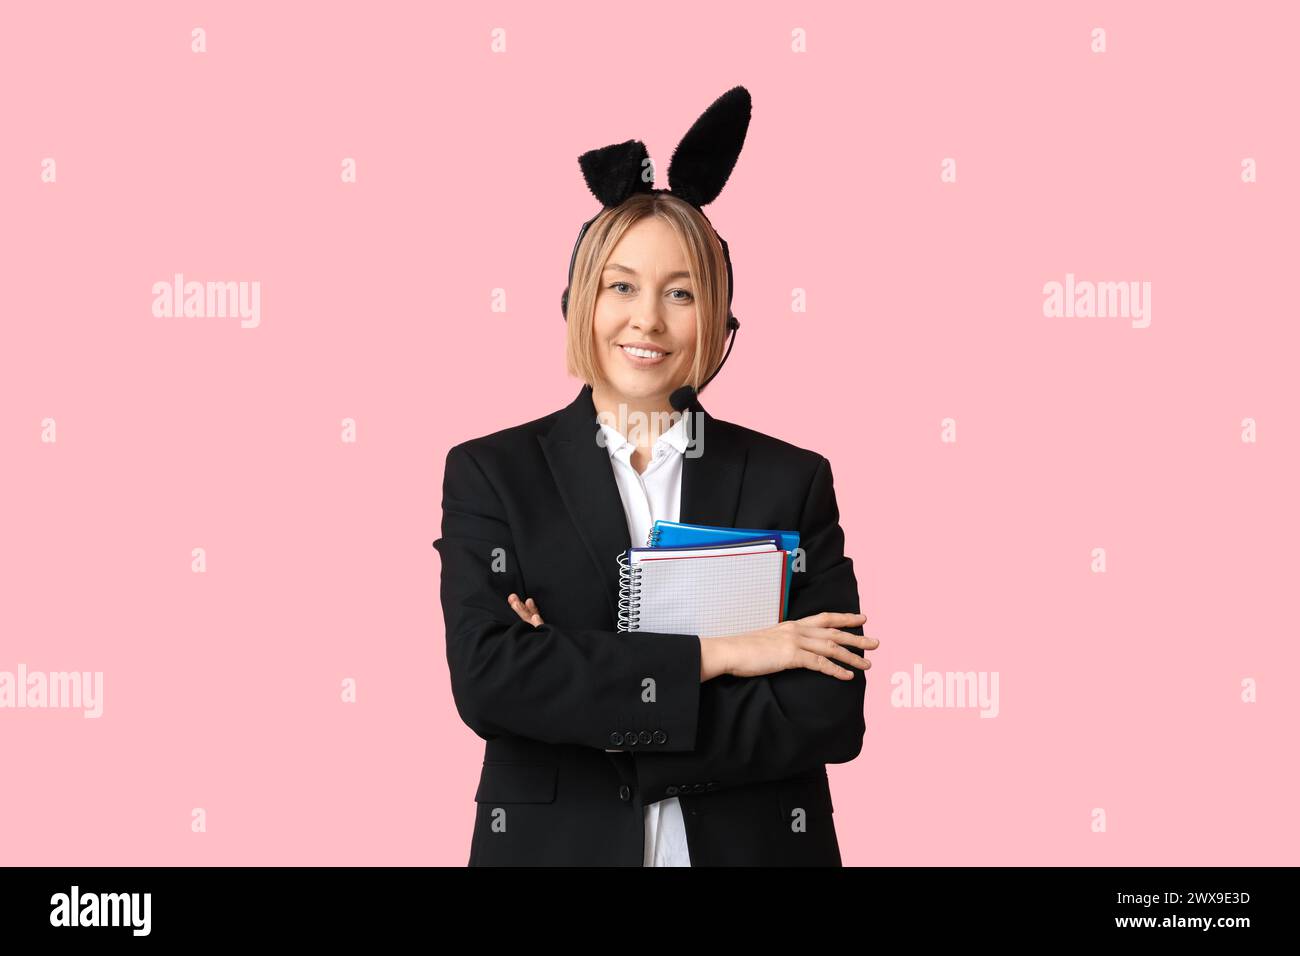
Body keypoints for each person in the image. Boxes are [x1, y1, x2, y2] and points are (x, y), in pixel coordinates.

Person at [433, 86, 879, 866]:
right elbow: (491, 682)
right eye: (622, 286)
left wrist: (582, 688)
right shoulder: (491, 475)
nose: (648, 320)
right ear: (579, 302)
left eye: (681, 293)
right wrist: (733, 654)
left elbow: (828, 711)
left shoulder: (793, 478)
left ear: (719, 317)